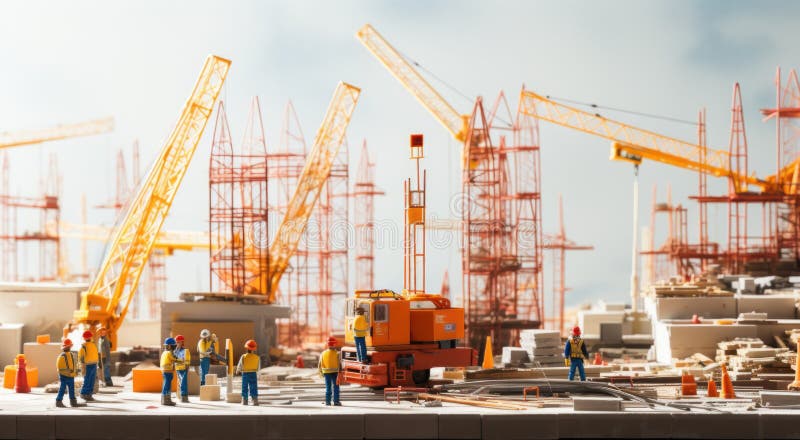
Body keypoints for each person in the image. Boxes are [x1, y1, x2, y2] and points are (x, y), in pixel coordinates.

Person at [55, 339, 85, 408]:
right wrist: (68, 372)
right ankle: (59, 401)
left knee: (71, 389)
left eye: (68, 346)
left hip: (70, 376)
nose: (68, 348)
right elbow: (60, 367)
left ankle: (73, 401)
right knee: (62, 389)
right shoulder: (62, 356)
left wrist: (75, 371)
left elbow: (73, 364)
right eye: (67, 347)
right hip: (65, 376)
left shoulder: (70, 355)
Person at [236, 339, 261, 406]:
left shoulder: (243, 356)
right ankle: (255, 400)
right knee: (253, 386)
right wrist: (259, 375)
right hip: (253, 373)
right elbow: (258, 367)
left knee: (244, 387)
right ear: (254, 349)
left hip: (245, 373)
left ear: (246, 348)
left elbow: (240, 364)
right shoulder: (257, 358)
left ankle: (245, 401)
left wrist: (237, 370)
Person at [318, 336, 341, 406]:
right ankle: (336, 402)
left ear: (328, 344)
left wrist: (321, 373)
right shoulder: (338, 354)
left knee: (328, 388)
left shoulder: (323, 353)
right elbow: (340, 364)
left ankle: (328, 402)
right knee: (336, 387)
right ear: (334, 344)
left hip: (326, 373)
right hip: (335, 372)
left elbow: (320, 364)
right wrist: (340, 373)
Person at [78, 330, 98, 401]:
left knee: (91, 380)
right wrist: (82, 367)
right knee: (87, 380)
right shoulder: (84, 347)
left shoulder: (92, 345)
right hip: (87, 365)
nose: (88, 338)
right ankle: (83, 393)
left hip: (94, 364)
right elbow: (81, 358)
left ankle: (89, 394)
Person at [160, 337, 178, 406]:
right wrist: (181, 360)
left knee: (165, 384)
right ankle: (166, 400)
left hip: (165, 371)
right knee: (167, 385)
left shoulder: (164, 352)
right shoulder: (168, 353)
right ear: (170, 346)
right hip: (168, 371)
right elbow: (174, 359)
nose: (175, 347)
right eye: (174, 346)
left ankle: (164, 399)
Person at [174, 335, 190, 403]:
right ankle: (182, 396)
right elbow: (173, 359)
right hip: (178, 368)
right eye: (176, 342)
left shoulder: (186, 351)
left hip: (184, 368)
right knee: (180, 383)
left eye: (178, 342)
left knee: (183, 382)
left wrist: (187, 367)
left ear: (182, 342)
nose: (177, 343)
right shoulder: (175, 351)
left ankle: (184, 397)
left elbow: (188, 360)